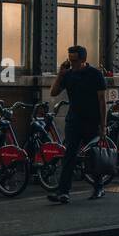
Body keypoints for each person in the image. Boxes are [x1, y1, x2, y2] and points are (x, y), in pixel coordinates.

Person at [47, 45, 108, 203]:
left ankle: (99, 186)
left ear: (83, 59)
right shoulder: (68, 75)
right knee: (69, 156)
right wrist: (60, 74)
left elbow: (102, 102)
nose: (72, 64)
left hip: (91, 121)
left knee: (92, 156)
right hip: (73, 120)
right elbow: (53, 93)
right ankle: (63, 192)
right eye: (70, 60)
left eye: (75, 60)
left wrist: (103, 126)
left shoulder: (95, 75)